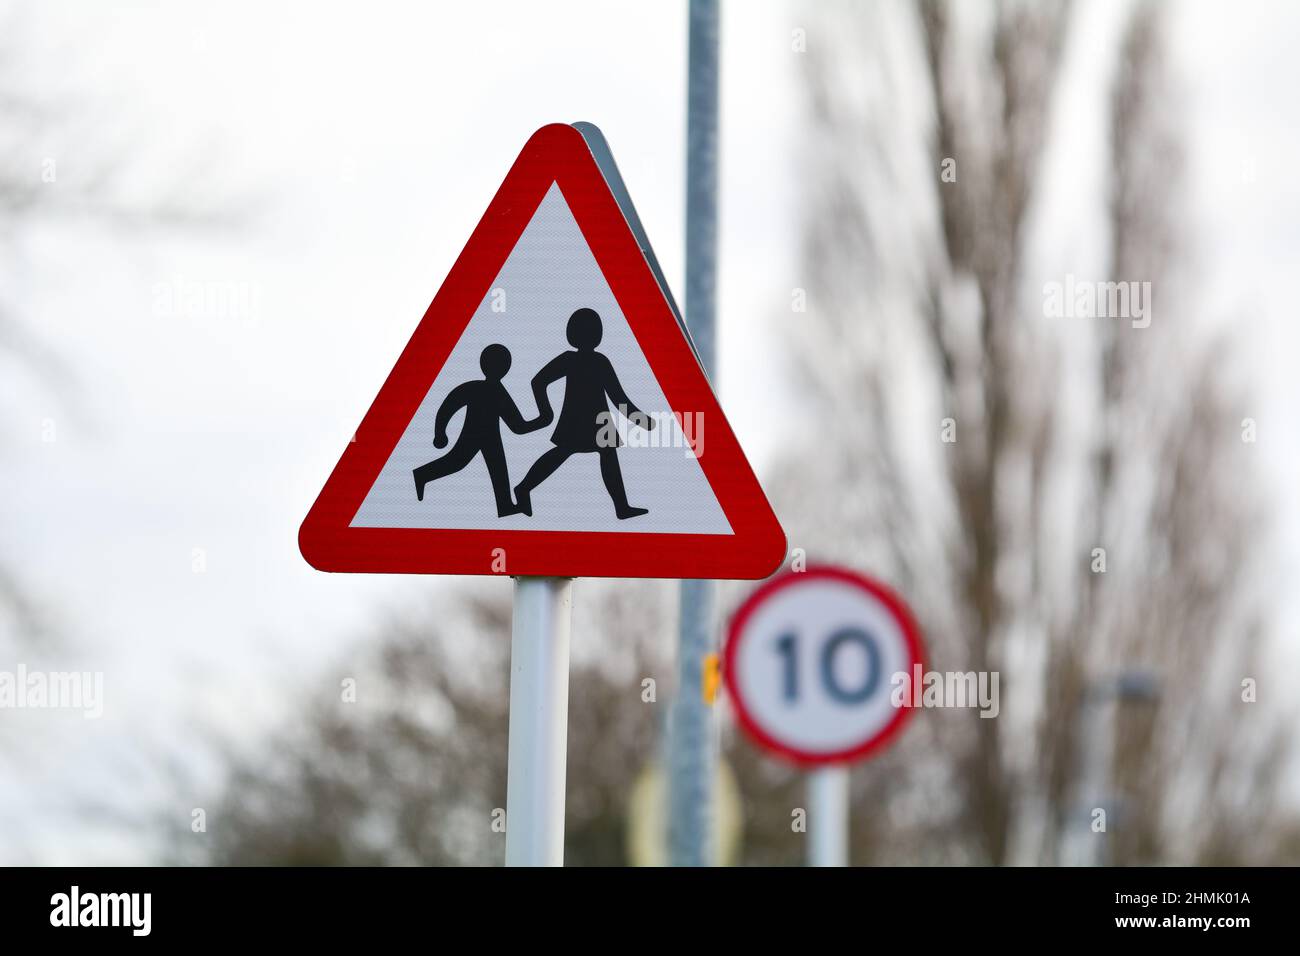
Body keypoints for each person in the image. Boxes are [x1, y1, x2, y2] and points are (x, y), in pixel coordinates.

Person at [514, 308, 655, 519]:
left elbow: (617, 397)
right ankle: (523, 488)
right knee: (571, 453)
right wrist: (546, 412)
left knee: (599, 454)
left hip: (594, 420)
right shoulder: (586, 360)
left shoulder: (590, 361)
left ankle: (621, 507)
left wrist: (640, 420)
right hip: (581, 419)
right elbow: (618, 398)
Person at [413, 344, 543, 516]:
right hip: (473, 436)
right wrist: (439, 433)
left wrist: (541, 421)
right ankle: (421, 475)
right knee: (457, 462)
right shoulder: (483, 389)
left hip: (491, 438)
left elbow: (517, 426)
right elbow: (449, 405)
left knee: (497, 469)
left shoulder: (492, 390)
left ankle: (505, 505)